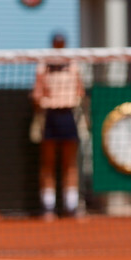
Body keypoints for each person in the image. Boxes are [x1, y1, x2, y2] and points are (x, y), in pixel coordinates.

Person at [30, 31, 86, 219]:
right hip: (50, 116)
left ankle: (71, 205)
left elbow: (80, 91)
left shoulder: (73, 64)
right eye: (57, 43)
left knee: (70, 163)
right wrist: (40, 103)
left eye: (62, 43)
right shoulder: (44, 64)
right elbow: (37, 93)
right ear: (53, 44)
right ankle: (48, 206)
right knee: (48, 163)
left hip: (68, 115)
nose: (59, 45)